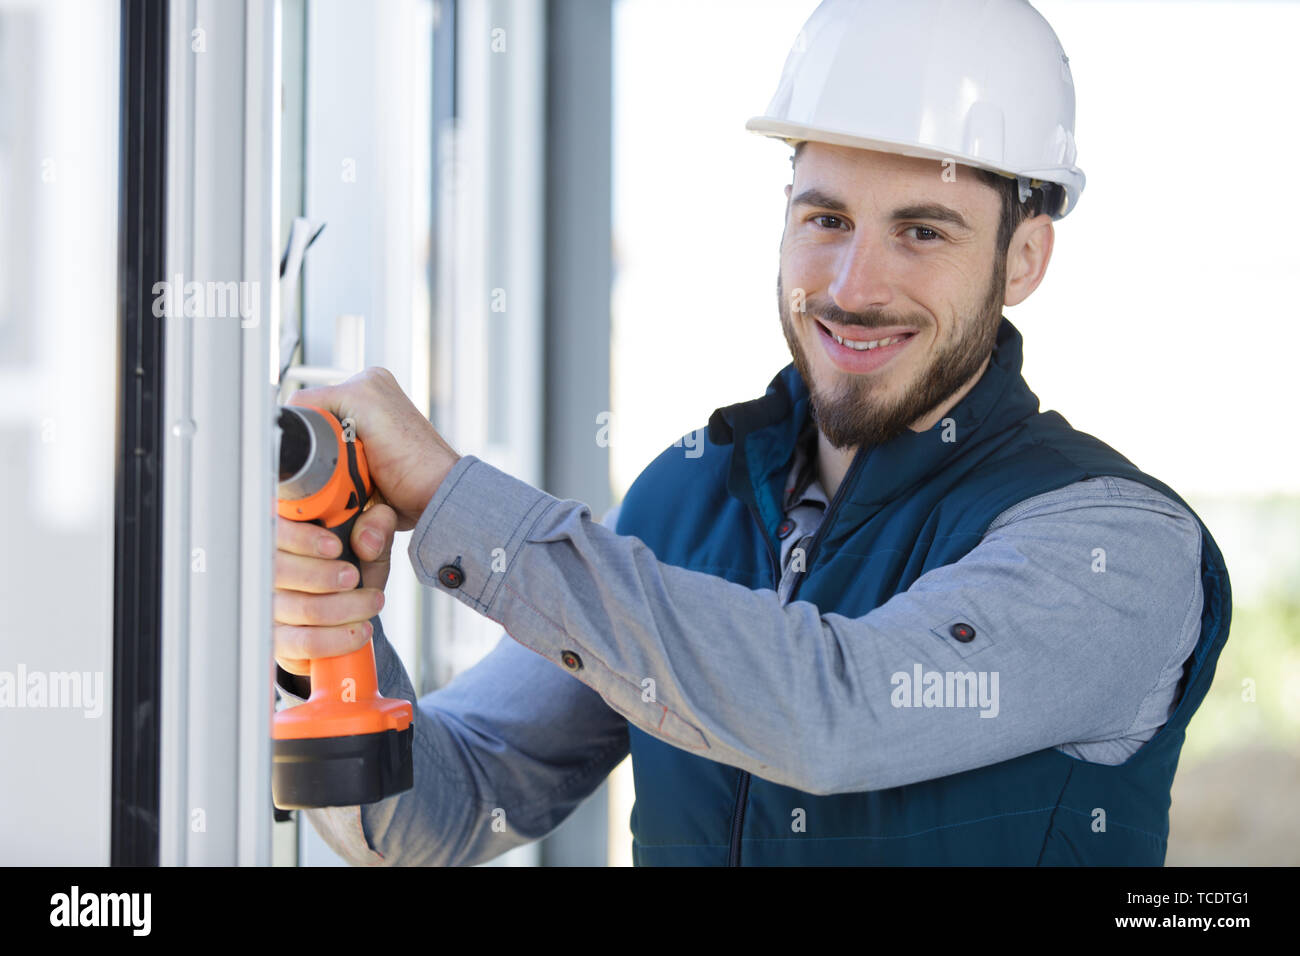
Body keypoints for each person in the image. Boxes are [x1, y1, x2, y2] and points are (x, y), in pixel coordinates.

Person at [272, 0, 1231, 865]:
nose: (855, 287)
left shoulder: (1115, 547)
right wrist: (332, 644)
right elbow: (453, 804)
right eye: (827, 218)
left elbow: (835, 715)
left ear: (1023, 258)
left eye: (923, 231)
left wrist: (450, 498)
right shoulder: (683, 501)